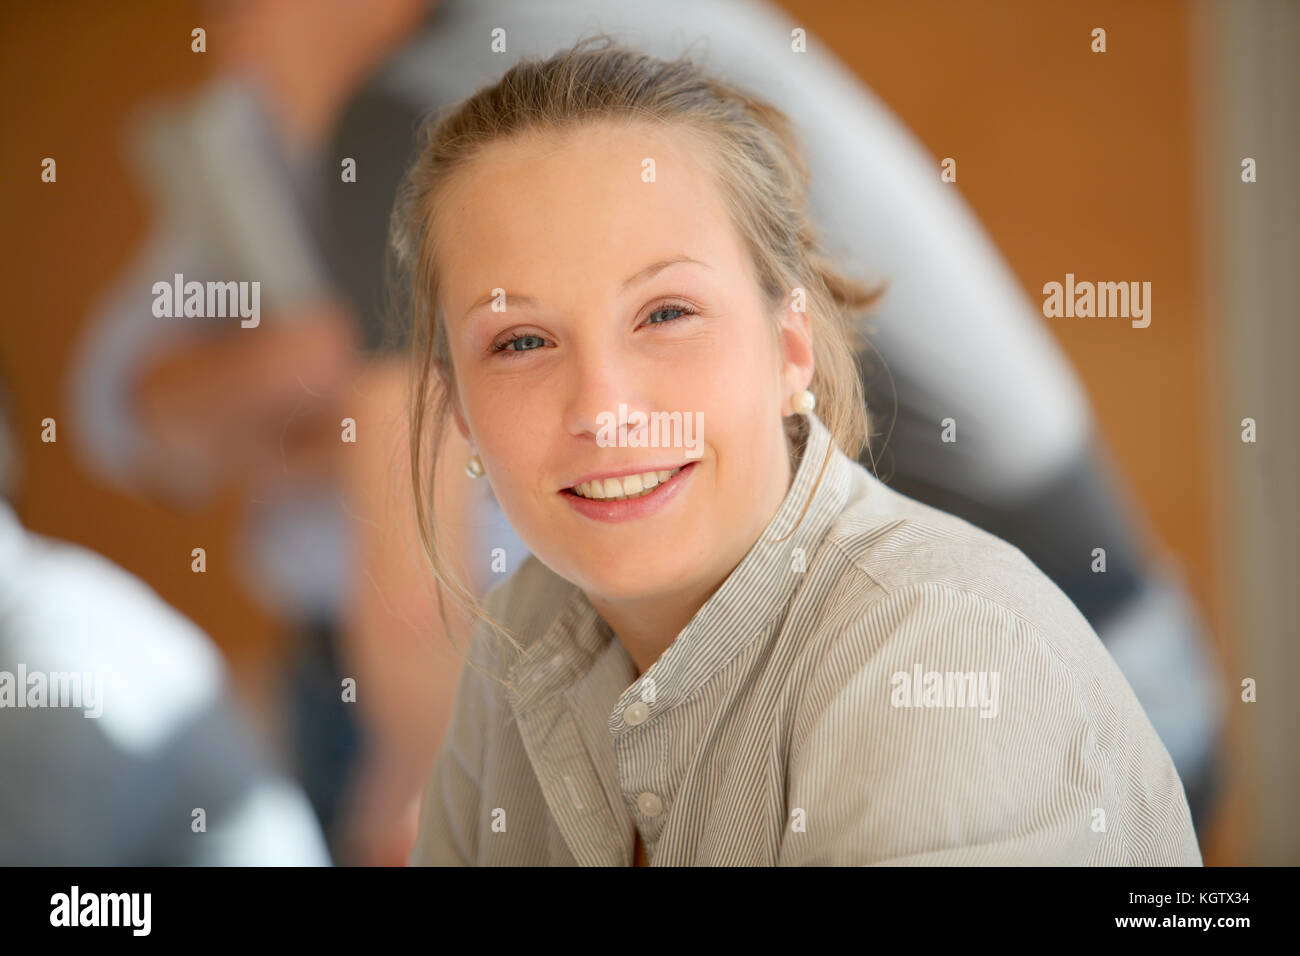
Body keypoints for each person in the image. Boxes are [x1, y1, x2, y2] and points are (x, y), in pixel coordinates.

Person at [401, 38, 1202, 865]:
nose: (604, 410)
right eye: (522, 340)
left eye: (667, 313)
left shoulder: (942, 653)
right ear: (458, 403)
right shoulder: (522, 635)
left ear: (790, 347)